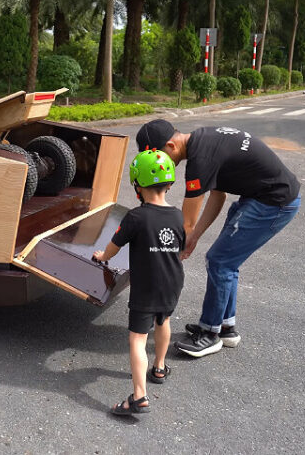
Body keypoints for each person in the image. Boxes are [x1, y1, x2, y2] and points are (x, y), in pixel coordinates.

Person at [136, 119, 301, 357]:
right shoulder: (203, 140)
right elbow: (218, 196)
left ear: (171, 145)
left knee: (220, 262)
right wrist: (193, 238)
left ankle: (210, 335)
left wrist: (165, 255)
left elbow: (186, 223)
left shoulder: (200, 160)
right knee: (225, 262)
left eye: (158, 157)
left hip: (274, 202)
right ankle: (225, 328)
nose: (159, 165)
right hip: (260, 197)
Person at [93, 149, 184, 416]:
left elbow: (112, 248)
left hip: (147, 286)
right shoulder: (178, 216)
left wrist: (102, 256)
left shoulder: (135, 217)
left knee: (137, 338)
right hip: (173, 282)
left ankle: (139, 396)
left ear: (137, 184)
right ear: (169, 183)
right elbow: (181, 247)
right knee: (163, 321)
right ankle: (159, 366)